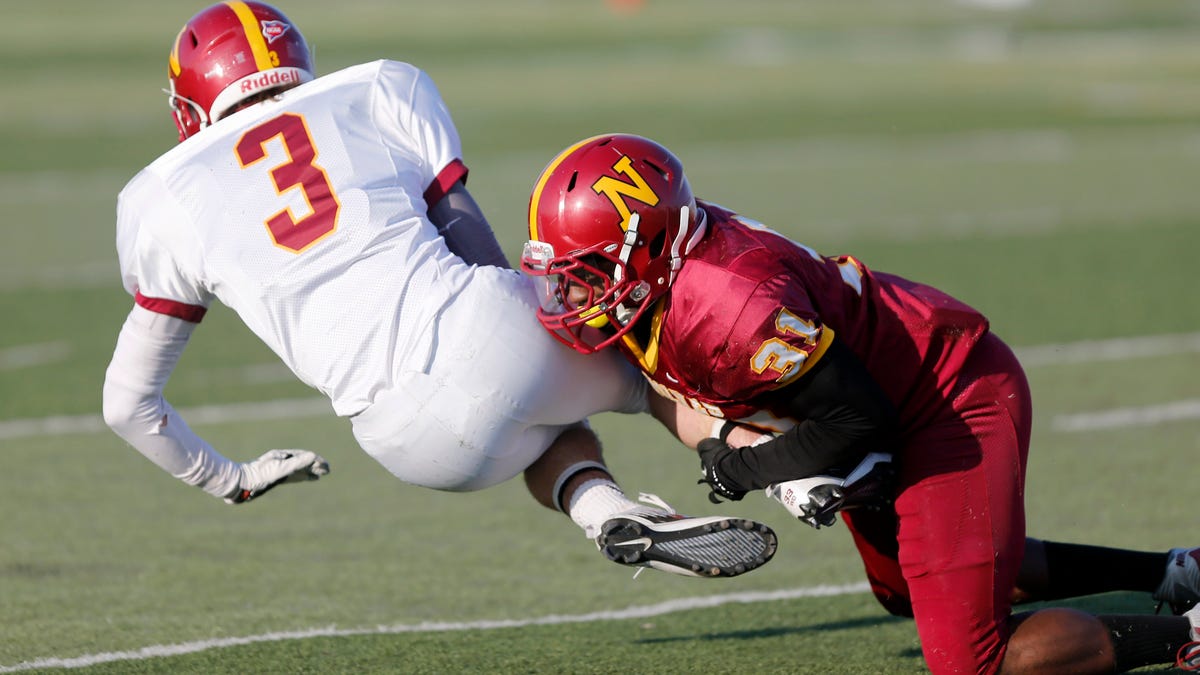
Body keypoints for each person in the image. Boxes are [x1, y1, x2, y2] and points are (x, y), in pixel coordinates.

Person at [100, 2, 779, 581]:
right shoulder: (375, 87)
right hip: (479, 331)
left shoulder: (159, 197)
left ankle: (607, 512)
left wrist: (232, 480)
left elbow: (127, 406)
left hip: (405, 444)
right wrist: (538, 327)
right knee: (650, 374)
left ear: (194, 101)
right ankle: (793, 475)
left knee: (544, 425)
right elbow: (468, 236)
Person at [519, 132, 1200, 672]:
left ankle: (1187, 635)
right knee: (908, 583)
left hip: (947, 396)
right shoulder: (670, 275)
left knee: (971, 658)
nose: (570, 294)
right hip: (872, 395)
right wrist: (748, 449)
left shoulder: (730, 309)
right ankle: (1176, 574)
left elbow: (859, 417)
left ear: (651, 251)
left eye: (587, 273)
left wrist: (746, 468)